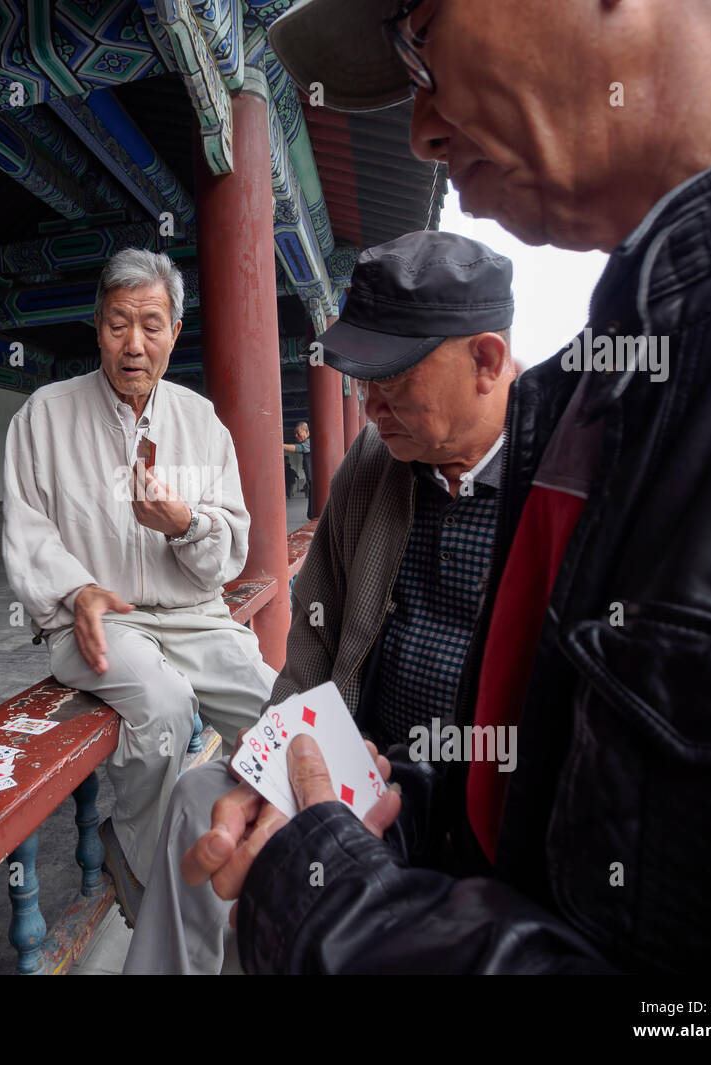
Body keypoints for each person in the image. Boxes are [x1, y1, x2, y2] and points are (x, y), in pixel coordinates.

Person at [182, 0, 711, 973]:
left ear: (487, 361)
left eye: (417, 38)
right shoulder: (611, 385)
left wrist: (341, 915)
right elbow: (587, 815)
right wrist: (392, 810)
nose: (421, 130)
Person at [125, 231, 519, 972]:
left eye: (393, 381)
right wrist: (274, 756)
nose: (370, 407)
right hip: (349, 752)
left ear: (486, 362)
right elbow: (313, 634)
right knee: (202, 796)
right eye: (361, 382)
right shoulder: (376, 462)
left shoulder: (560, 475)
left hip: (481, 788)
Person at [1, 247, 275, 924]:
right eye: (119, 323)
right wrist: (78, 590)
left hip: (195, 614)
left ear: (175, 332)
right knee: (162, 705)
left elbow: (228, 554)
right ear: (97, 325)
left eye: (151, 324)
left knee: (277, 710)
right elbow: (28, 531)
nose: (134, 344)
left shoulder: (202, 423)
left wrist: (185, 523)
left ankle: (274, 863)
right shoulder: (45, 415)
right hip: (98, 619)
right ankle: (143, 861)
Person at [282, 421, 310, 500]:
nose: (296, 436)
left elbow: (299, 448)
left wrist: (280, 445)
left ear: (306, 431)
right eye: (295, 434)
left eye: (298, 433)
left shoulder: (310, 442)